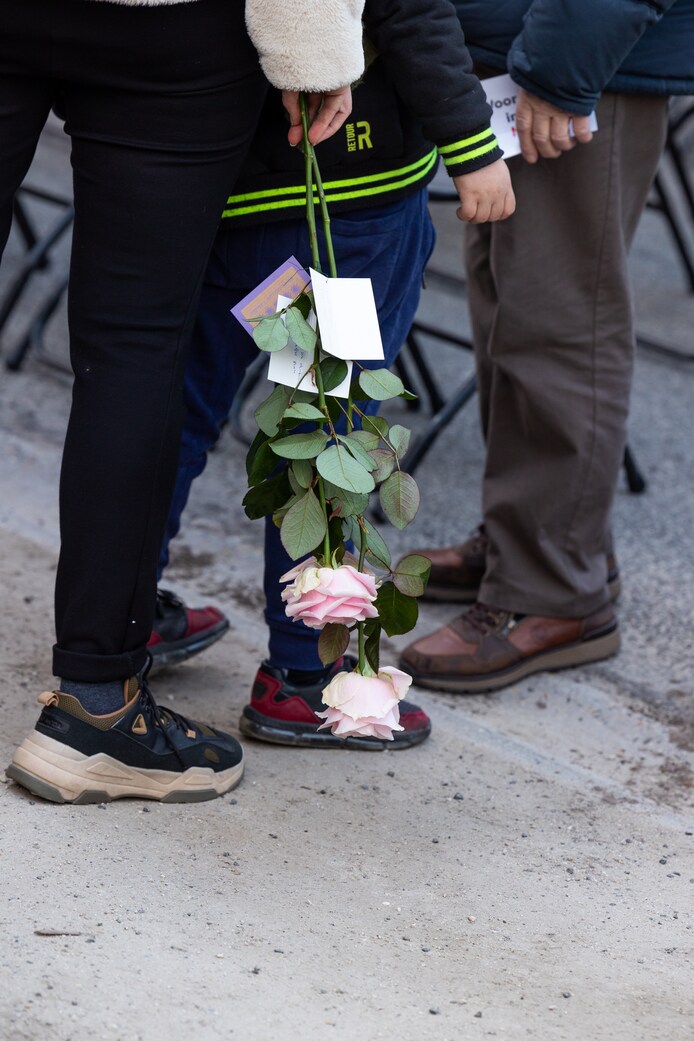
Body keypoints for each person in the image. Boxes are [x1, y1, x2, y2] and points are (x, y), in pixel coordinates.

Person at [4, 0, 368, 804]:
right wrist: (312, 50)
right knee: (131, 349)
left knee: (133, 352)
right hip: (168, 29)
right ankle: (95, 710)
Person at [145, 0, 516, 748]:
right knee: (327, 432)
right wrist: (472, 145)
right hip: (345, 202)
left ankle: (122, 615)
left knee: (175, 413)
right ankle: (303, 675)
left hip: (210, 177)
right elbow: (411, 10)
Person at [400, 0, 694, 693]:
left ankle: (554, 594)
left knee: (559, 324)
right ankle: (534, 543)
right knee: (509, 305)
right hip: (530, 54)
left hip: (579, 59)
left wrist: (559, 71)